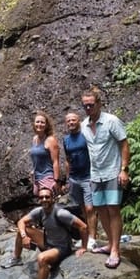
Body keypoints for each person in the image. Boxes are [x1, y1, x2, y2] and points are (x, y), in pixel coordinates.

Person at [1, 186, 89, 279]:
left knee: (41, 258)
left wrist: (83, 247)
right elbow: (21, 222)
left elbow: (83, 226)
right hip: (47, 243)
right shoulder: (40, 211)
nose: (44, 200)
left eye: (47, 197)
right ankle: (16, 259)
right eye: (41, 197)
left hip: (62, 248)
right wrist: (24, 237)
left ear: (53, 198)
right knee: (21, 232)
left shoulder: (60, 213)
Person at [80, 87, 130, 269]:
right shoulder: (83, 126)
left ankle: (115, 249)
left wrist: (124, 170)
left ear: (99, 104)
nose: (88, 109)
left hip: (112, 172)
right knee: (100, 210)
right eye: (85, 106)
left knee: (113, 209)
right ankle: (110, 243)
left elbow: (124, 144)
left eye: (91, 105)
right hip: (95, 174)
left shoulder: (111, 121)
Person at [62, 111, 98, 251]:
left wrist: (95, 173)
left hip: (88, 176)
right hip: (74, 178)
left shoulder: (85, 135)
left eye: (73, 120)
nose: (71, 122)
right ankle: (87, 236)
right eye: (68, 121)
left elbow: (94, 153)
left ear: (79, 121)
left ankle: (93, 239)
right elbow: (67, 160)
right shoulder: (66, 140)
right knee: (83, 209)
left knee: (90, 208)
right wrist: (67, 179)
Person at [29, 111, 61, 196]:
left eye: (42, 122)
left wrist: (56, 180)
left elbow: (55, 162)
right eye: (37, 122)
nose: (39, 124)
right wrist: (33, 171)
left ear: (46, 125)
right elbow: (37, 158)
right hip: (37, 178)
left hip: (48, 178)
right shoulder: (34, 139)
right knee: (40, 201)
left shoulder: (50, 140)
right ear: (34, 124)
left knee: (48, 201)